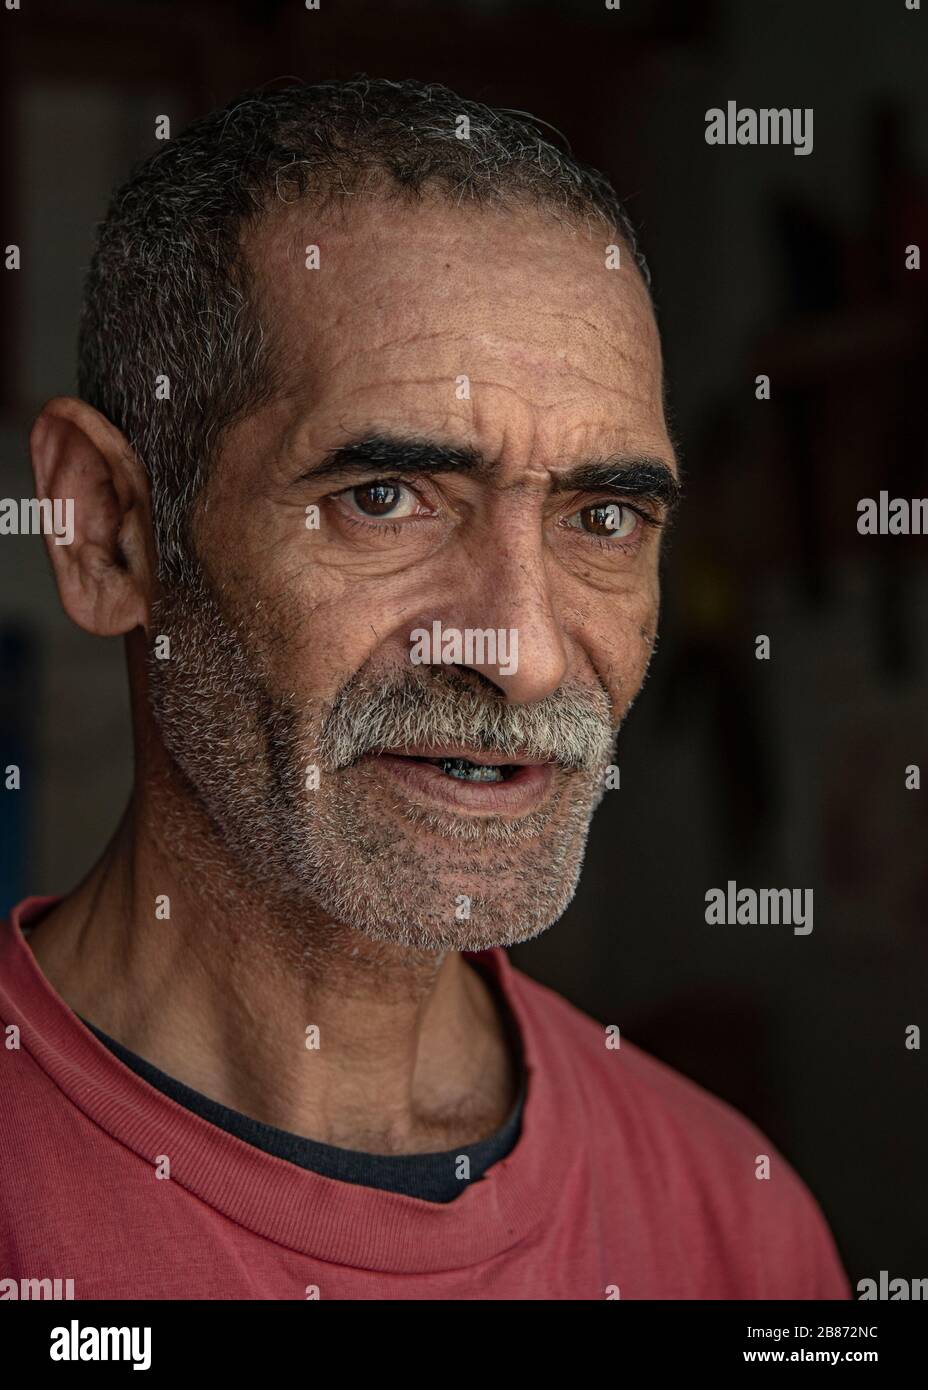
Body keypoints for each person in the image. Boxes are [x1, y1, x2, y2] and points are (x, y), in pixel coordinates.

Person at [0, 78, 849, 1300]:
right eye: (383, 499)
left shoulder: (736, 1230)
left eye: (602, 516)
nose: (525, 649)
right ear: (109, 532)